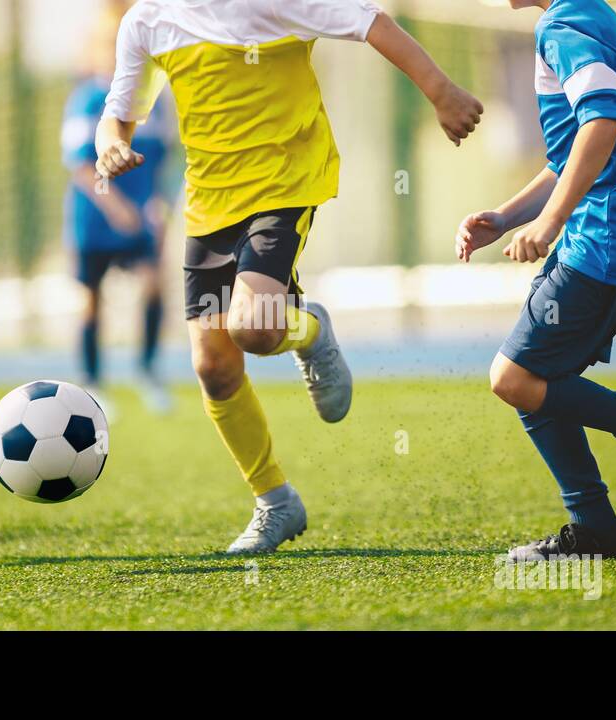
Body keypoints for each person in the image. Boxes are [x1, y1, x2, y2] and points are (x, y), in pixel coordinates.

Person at [96, 0, 483, 554]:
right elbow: (119, 112)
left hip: (284, 185)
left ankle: (311, 331)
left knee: (252, 330)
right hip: (209, 207)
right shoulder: (147, 22)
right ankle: (275, 501)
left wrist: (441, 91)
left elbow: (372, 23)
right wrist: (111, 144)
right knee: (212, 367)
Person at [455, 0, 616, 560]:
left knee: (513, 377)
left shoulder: (562, 25)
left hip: (607, 236)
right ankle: (595, 527)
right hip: (615, 230)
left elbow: (602, 125)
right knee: (536, 378)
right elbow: (576, 150)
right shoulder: (589, 14)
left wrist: (549, 223)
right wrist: (507, 216)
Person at [62, 0, 178, 415]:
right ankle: (94, 384)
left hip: (142, 218)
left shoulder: (155, 101)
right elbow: (79, 164)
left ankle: (148, 374)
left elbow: (166, 158)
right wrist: (115, 207)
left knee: (153, 284)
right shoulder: (88, 98)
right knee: (91, 300)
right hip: (94, 221)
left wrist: (162, 207)